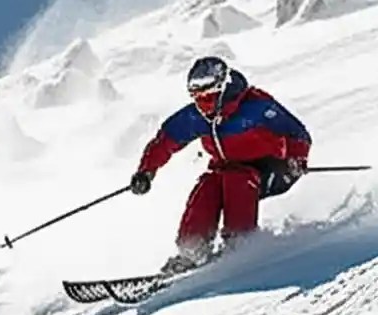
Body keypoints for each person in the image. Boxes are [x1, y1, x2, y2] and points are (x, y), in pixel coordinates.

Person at [129, 56, 311, 275]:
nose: (203, 105)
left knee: (238, 179)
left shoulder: (255, 106)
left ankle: (240, 244)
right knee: (208, 185)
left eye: (209, 97)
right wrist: (146, 172)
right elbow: (165, 141)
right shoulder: (198, 116)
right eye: (197, 98)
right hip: (227, 169)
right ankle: (191, 251)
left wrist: (296, 159)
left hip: (274, 169)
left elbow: (297, 134)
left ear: (223, 89)